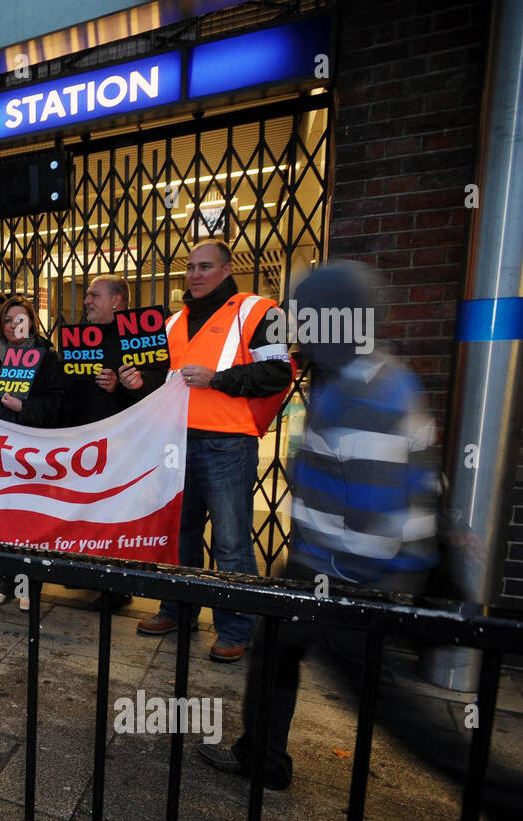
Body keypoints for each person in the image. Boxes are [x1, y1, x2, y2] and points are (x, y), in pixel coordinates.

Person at [195, 262, 439, 789]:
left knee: (401, 716)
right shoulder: (368, 376)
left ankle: (497, 789)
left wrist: (332, 586)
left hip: (347, 579)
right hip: (324, 568)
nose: (297, 331)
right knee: (274, 657)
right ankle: (263, 758)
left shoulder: (365, 397)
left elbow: (376, 521)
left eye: (307, 318)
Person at [136, 240, 292, 662]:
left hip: (227, 443)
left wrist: (218, 378)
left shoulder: (262, 310)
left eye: (205, 267)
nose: (195, 275)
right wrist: (137, 382)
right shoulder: (172, 323)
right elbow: (163, 379)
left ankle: (236, 629)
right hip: (176, 442)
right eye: (189, 267)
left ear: (226, 270)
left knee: (231, 542)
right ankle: (177, 610)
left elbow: (278, 373)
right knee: (180, 535)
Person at [0, 294, 67, 610]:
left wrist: (25, 407)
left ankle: (28, 588)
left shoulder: (47, 357)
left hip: (33, 456)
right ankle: (5, 584)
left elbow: (60, 404)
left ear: (31, 322)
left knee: (30, 524)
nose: (13, 325)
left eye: (20, 319)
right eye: (7, 319)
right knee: (0, 522)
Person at [63, 275, 160, 612]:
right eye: (87, 294)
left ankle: (116, 584)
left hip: (123, 443)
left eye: (94, 294)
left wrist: (119, 386)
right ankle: (87, 572)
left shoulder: (140, 337)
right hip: (82, 442)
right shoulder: (77, 337)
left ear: (117, 300)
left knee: (116, 514)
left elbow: (156, 390)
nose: (86, 300)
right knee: (87, 509)